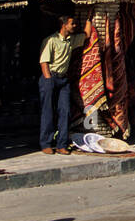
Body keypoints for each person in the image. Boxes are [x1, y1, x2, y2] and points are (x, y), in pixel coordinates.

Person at [39, 14, 98, 154]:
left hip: (63, 80)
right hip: (51, 77)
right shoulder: (51, 40)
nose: (75, 26)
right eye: (72, 24)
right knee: (48, 111)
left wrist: (88, 19)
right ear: (64, 25)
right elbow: (44, 62)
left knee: (65, 111)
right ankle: (46, 143)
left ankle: (61, 144)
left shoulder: (71, 40)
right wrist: (48, 80)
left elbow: (87, 35)